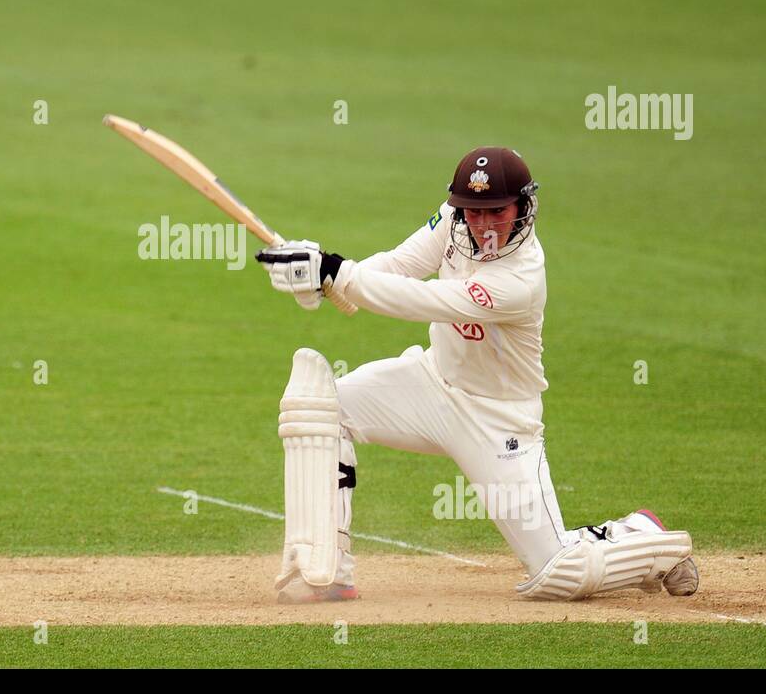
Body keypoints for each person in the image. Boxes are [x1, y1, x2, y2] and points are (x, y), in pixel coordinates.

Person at [256, 147, 699, 602]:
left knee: (558, 574)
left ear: (523, 206)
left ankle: (644, 535)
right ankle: (327, 573)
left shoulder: (522, 279)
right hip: (432, 384)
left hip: (498, 422)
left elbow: (425, 300)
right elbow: (400, 264)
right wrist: (323, 279)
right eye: (475, 212)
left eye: (497, 211)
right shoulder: (453, 219)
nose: (484, 225)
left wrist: (335, 271)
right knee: (323, 408)